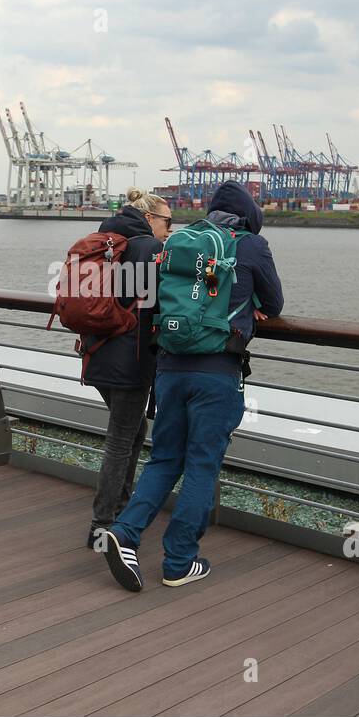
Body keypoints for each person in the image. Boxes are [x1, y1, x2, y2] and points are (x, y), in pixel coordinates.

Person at [99, 180, 283, 589]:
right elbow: (275, 304)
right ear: (251, 217)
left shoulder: (182, 240)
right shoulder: (251, 245)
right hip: (215, 371)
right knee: (201, 463)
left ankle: (125, 531)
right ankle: (179, 561)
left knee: (165, 458)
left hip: (169, 366)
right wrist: (250, 305)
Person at [82, 188, 172, 550]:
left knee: (133, 431)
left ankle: (120, 507)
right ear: (149, 219)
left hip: (97, 352)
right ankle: (102, 525)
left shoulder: (103, 241)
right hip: (130, 359)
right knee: (121, 439)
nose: (171, 228)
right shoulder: (148, 249)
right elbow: (152, 302)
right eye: (168, 221)